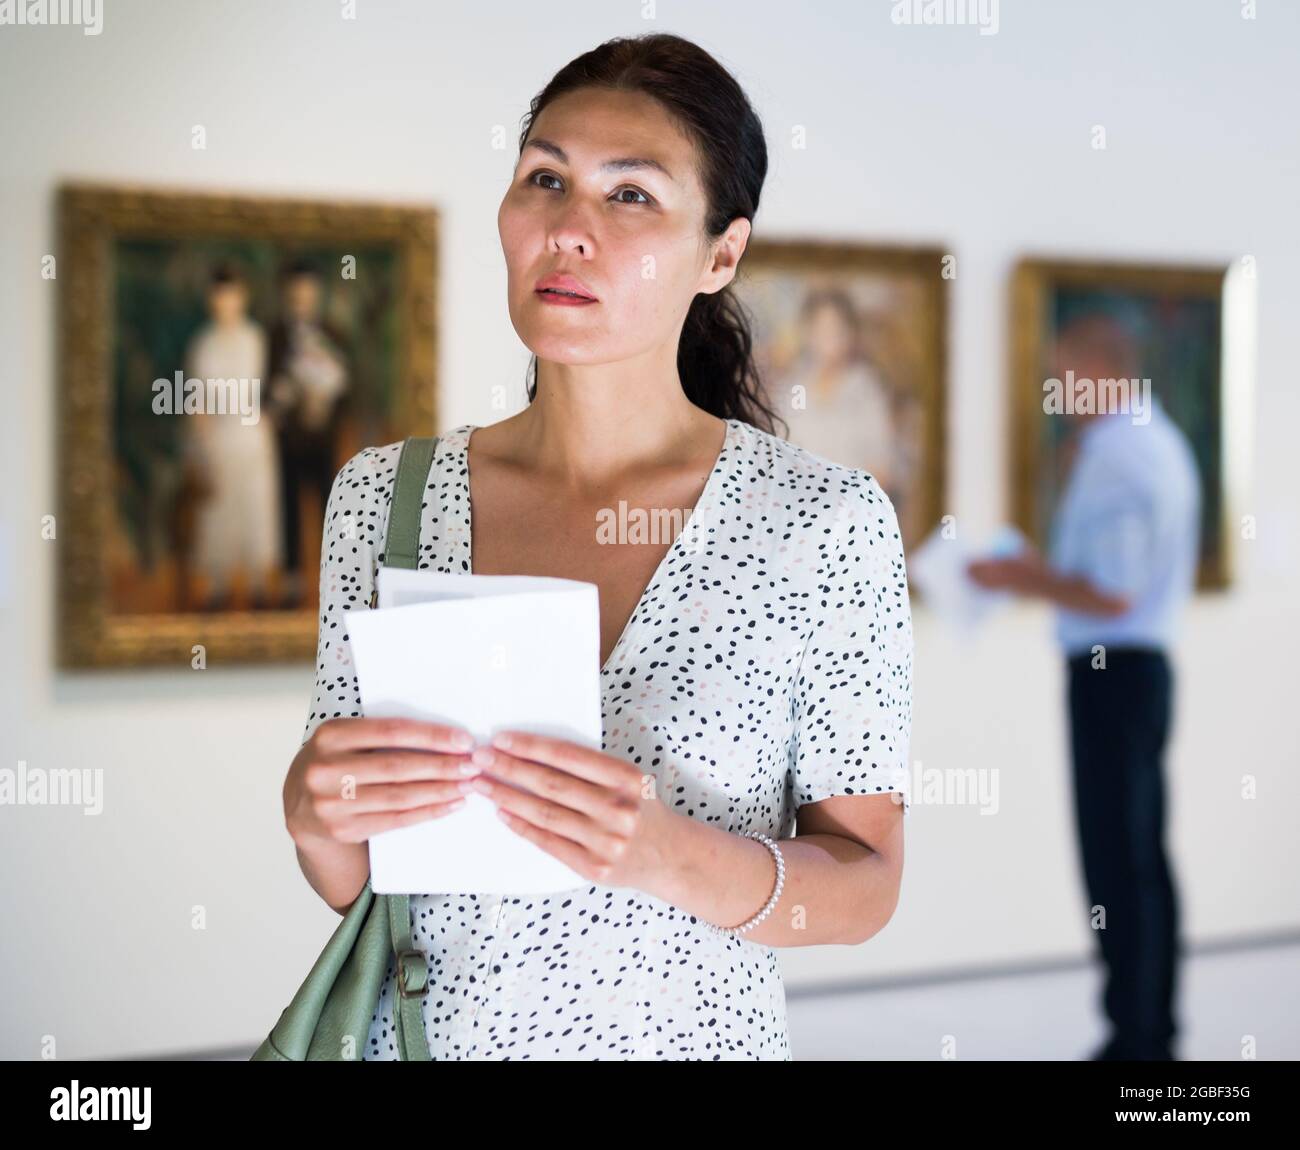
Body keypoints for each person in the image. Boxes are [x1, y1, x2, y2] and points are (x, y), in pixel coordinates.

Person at [279, 32, 914, 1061]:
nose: (569, 228)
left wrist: (667, 855)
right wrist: (312, 816)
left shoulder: (820, 524)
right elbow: (362, 883)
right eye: (545, 177)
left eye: (630, 195)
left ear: (720, 253)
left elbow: (866, 887)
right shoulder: (381, 497)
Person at [968, 303, 1202, 1061]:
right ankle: (1145, 1027)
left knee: (1119, 857)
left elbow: (1112, 593)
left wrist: (1019, 576)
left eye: (1062, 379)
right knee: (1138, 855)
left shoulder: (1121, 454)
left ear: (1100, 372)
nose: (1056, 393)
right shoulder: (1147, 443)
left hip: (1115, 674)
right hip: (1136, 673)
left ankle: (1139, 1039)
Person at [184, 264, 282, 610]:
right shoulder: (203, 345)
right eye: (220, 296)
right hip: (220, 439)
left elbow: (268, 390)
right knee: (218, 511)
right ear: (212, 299)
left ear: (243, 297)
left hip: (253, 436)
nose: (226, 302)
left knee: (255, 507)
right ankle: (217, 586)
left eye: (232, 295)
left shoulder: (255, 339)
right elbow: (199, 402)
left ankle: (257, 584)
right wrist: (202, 448)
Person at [266, 259, 351, 608]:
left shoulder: (333, 333)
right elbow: (266, 384)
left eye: (308, 292)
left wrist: (327, 407)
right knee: (288, 505)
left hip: (323, 437)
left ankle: (331, 579)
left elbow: (349, 386)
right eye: (296, 292)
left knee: (327, 506)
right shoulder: (274, 336)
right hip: (289, 437)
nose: (302, 298)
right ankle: (291, 580)